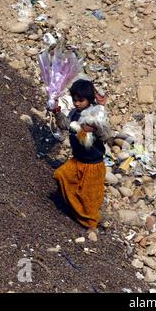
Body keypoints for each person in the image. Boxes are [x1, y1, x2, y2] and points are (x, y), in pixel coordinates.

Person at [50, 79, 111, 236]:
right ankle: (73, 207)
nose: (77, 103)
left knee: (90, 197)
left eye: (80, 100)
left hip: (93, 164)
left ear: (89, 100)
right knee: (61, 175)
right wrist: (57, 113)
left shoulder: (96, 114)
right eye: (75, 100)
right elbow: (66, 125)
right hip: (77, 160)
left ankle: (91, 225)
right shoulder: (74, 113)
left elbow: (106, 136)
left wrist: (95, 128)